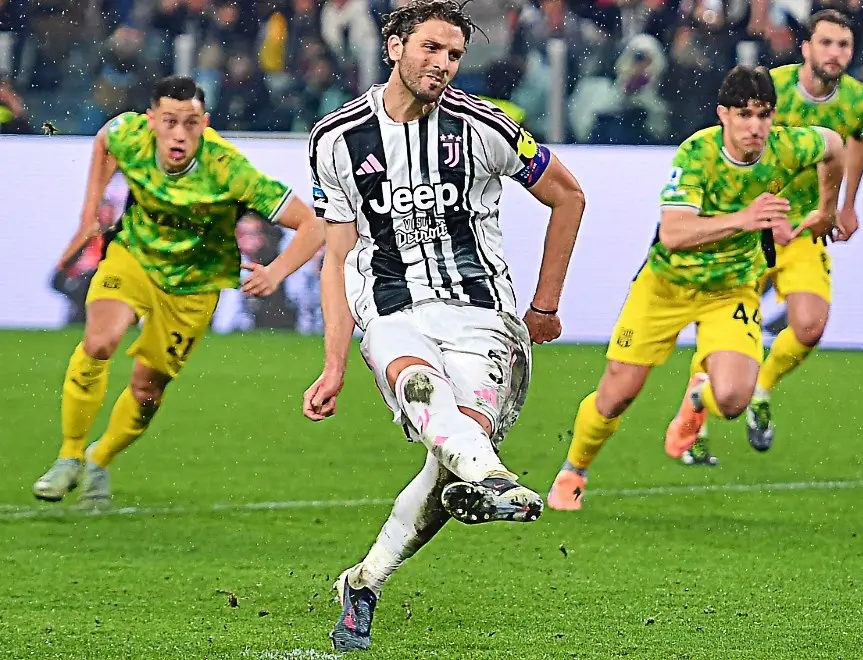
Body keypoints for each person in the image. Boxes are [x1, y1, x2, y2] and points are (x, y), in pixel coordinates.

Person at [301, 0, 586, 652]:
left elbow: (568, 196)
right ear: (394, 46)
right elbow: (336, 258)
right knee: (421, 390)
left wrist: (544, 305)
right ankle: (499, 481)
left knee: (450, 461)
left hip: (483, 316)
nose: (443, 64)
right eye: (431, 48)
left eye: (454, 54)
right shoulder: (336, 138)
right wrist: (335, 363)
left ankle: (365, 582)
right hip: (392, 309)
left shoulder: (486, 127)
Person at [546, 65, 846, 511]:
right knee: (617, 395)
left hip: (731, 290)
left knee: (733, 399)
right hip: (666, 286)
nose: (755, 126)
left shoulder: (786, 147)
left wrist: (827, 209)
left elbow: (834, 146)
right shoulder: (697, 155)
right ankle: (574, 470)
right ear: (723, 114)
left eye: (764, 115)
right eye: (744, 115)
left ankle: (697, 396)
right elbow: (673, 233)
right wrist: (744, 219)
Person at [32, 75, 326, 508]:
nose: (179, 134)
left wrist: (277, 272)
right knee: (99, 342)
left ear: (204, 124)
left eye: (190, 123)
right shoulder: (129, 134)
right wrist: (90, 213)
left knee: (147, 390)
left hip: (195, 285)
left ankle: (99, 457)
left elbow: (312, 224)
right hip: (133, 258)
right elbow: (105, 140)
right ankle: (69, 455)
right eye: (169, 121)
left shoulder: (228, 169)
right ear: (151, 120)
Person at [675, 9, 863, 465]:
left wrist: (846, 205)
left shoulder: (858, 99)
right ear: (806, 48)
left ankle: (759, 391)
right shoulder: (773, 89)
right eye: (825, 43)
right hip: (753, 226)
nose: (835, 53)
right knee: (723, 325)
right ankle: (695, 426)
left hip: (804, 227)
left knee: (809, 326)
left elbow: (859, 140)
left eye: (843, 45)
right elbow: (738, 145)